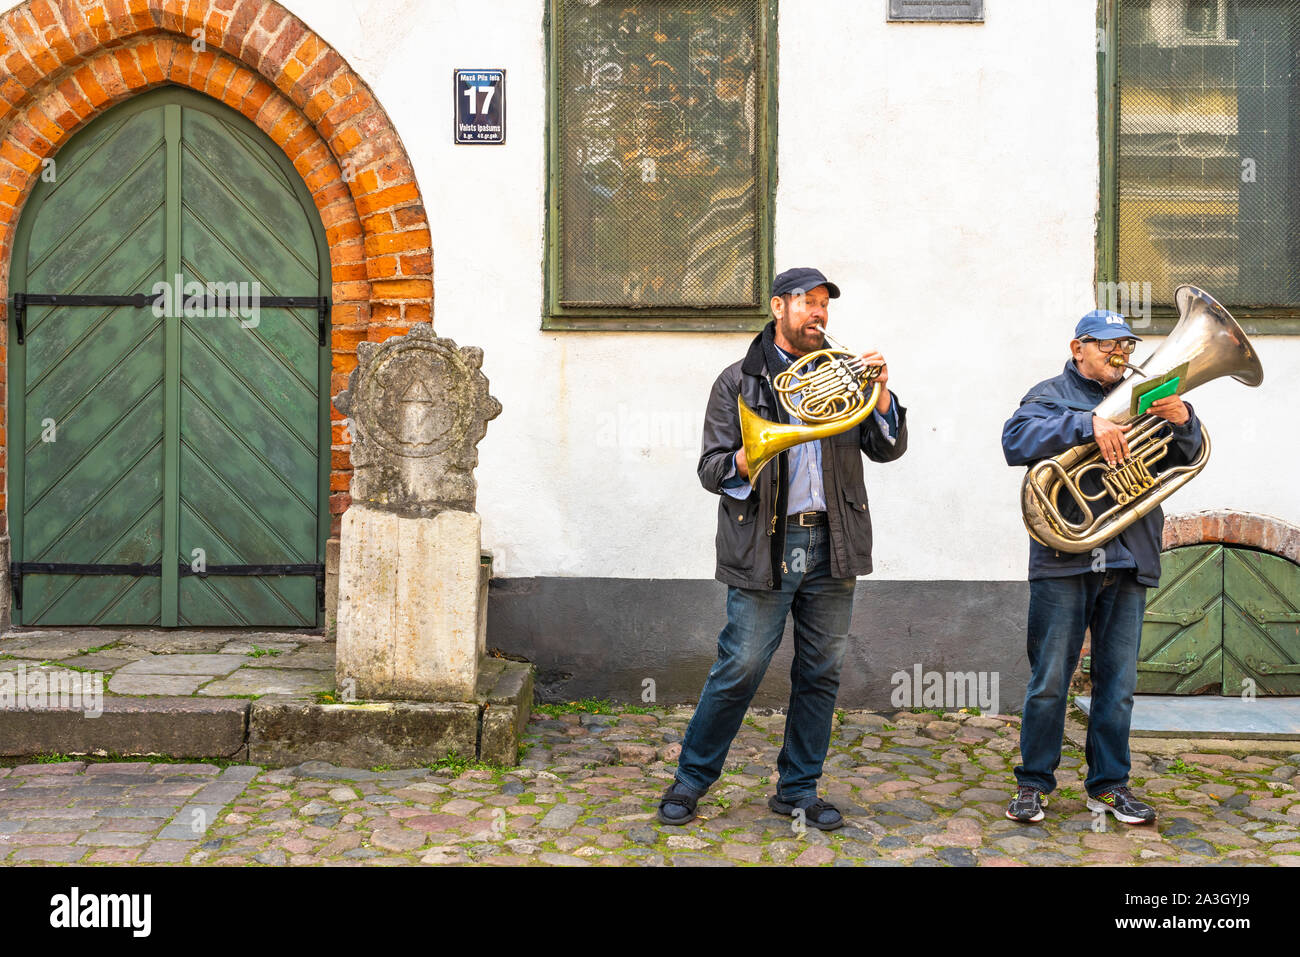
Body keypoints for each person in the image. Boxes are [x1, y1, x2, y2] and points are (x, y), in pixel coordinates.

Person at [657, 266, 908, 830]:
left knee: (821, 671)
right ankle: (691, 781)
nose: (819, 314)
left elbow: (888, 448)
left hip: (834, 539)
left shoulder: (847, 375)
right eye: (808, 303)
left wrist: (883, 392)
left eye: (825, 305)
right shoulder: (738, 381)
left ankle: (798, 789)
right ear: (778, 307)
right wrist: (755, 453)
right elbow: (711, 469)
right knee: (740, 666)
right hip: (767, 542)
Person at [1001, 309, 1203, 826]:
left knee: (1118, 686)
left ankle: (1109, 785)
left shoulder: (1149, 397)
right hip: (1064, 561)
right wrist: (1085, 424)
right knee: (1050, 680)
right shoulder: (1049, 395)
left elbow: (1188, 455)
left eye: (1127, 346)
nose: (1122, 354)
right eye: (1110, 345)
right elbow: (1014, 442)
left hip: (1128, 557)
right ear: (1078, 348)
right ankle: (1033, 784)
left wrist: (1184, 423)